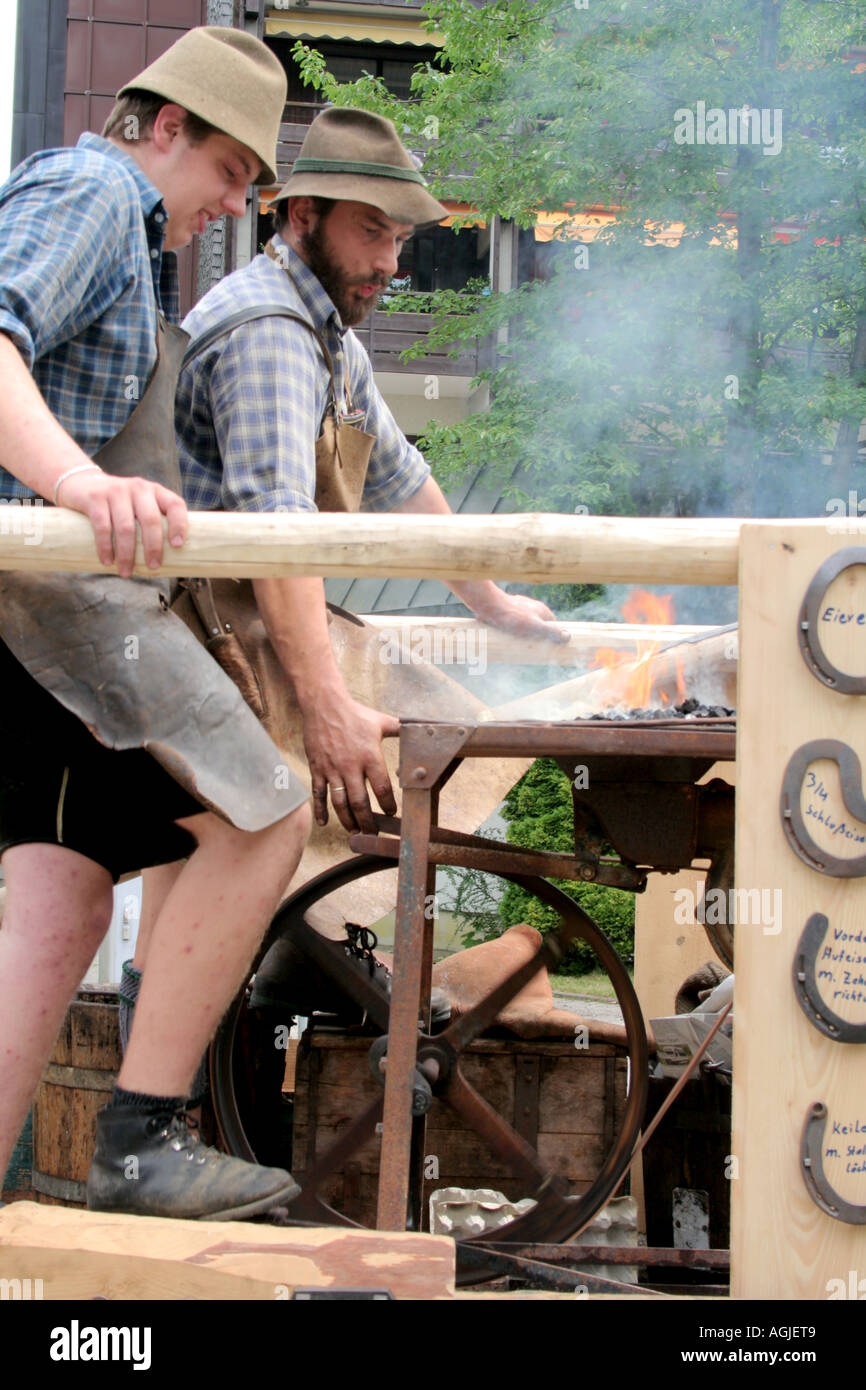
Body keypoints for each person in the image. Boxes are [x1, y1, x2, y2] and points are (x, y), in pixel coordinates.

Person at [124, 107, 568, 1024]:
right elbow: (278, 535)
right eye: (372, 230)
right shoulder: (271, 332)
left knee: (435, 735)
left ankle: (265, 1004)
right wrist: (326, 708)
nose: (390, 262)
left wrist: (493, 605)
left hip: (252, 626)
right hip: (206, 640)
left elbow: (409, 486)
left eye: (399, 238)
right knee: (278, 821)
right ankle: (188, 1068)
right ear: (301, 216)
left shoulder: (332, 341)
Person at [0, 27, 313, 1221]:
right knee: (264, 812)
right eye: (231, 170)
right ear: (165, 126)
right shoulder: (89, 189)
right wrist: (81, 488)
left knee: (64, 897)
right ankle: (138, 1144)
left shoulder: (131, 246)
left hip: (38, 599)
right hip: (49, 586)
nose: (232, 204)